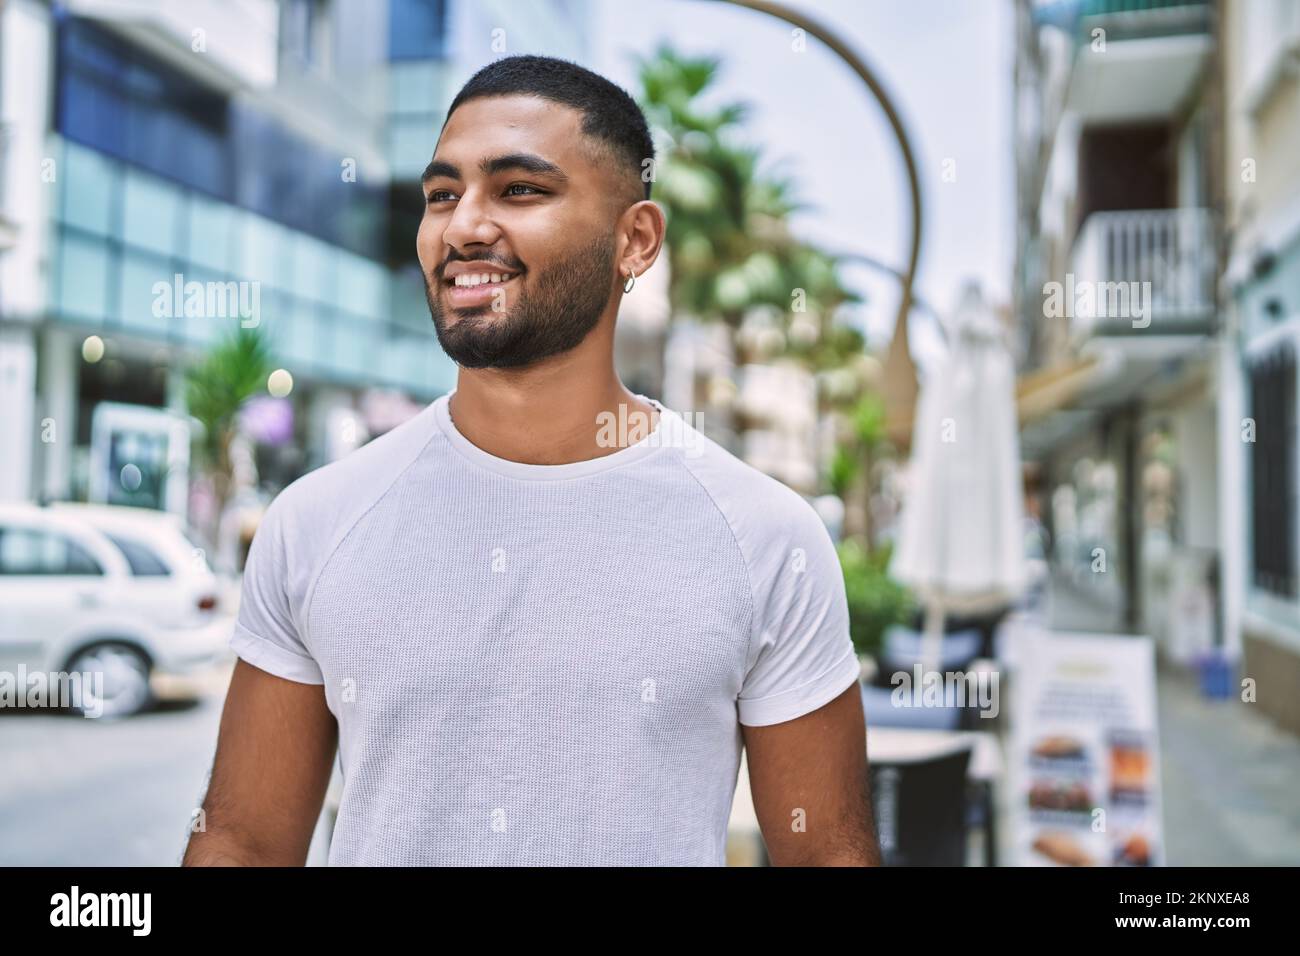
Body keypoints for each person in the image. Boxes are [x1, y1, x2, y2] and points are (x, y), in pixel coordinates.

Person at [183, 54, 877, 867]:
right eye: (443, 194)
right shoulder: (316, 521)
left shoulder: (764, 537)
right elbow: (243, 842)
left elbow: (827, 854)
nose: (464, 226)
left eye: (519, 190)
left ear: (635, 239)